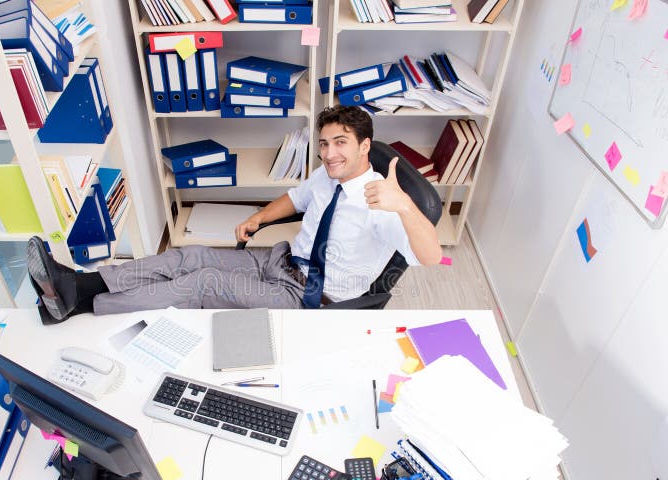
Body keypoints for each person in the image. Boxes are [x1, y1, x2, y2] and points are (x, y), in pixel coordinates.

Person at [28, 105, 442, 324]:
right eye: (323, 143)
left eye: (340, 143)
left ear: (365, 146)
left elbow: (429, 255)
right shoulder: (327, 173)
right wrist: (260, 218)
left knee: (202, 283)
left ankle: (85, 306)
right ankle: (79, 284)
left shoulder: (384, 201)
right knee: (186, 257)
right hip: (279, 261)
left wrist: (405, 203)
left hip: (307, 297)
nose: (329, 153)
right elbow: (296, 199)